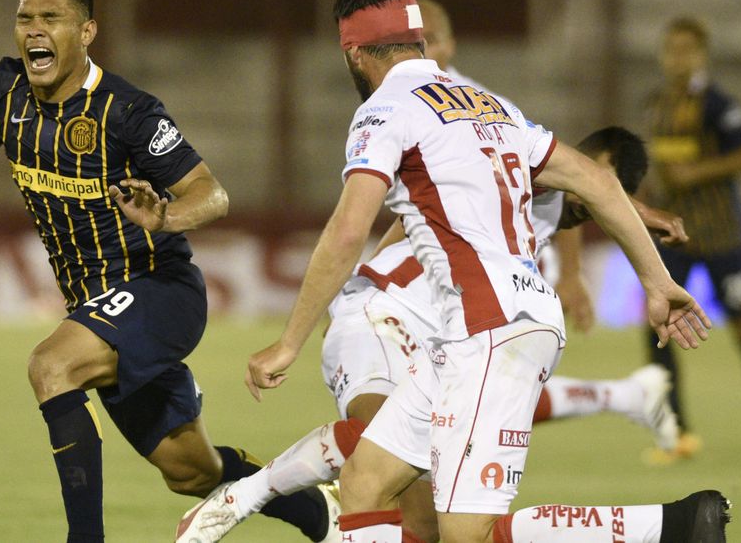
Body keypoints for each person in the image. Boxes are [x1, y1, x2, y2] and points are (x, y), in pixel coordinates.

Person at [245, 0, 726, 542]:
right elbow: (597, 182)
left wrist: (291, 341)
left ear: (353, 52)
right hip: (485, 328)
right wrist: (654, 281)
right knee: (364, 482)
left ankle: (673, 528)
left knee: (466, 534)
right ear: (420, 42)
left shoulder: (384, 110)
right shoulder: (489, 103)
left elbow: (348, 231)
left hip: (490, 331)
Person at [0, 0, 338, 542]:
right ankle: (320, 514)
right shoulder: (5, 91)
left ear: (86, 31)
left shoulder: (127, 111)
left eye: (51, 18)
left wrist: (163, 214)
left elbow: (210, 194)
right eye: (24, 19)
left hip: (159, 290)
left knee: (51, 365)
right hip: (94, 308)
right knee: (191, 472)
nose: (34, 30)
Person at [175, 127, 683, 543]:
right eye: (599, 181)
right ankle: (245, 495)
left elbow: (589, 190)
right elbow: (587, 180)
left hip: (437, 333)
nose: (595, 194)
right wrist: (646, 215)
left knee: (426, 524)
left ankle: (323, 516)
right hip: (386, 312)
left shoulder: (543, 217)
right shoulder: (519, 169)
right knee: (372, 444)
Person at [644, 16, 741, 465]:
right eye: (672, 49)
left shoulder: (718, 104)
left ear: (702, 55)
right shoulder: (657, 104)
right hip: (676, 236)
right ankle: (678, 433)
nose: (678, 58)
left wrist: (698, 172)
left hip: (724, 236)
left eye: (687, 49)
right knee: (658, 329)